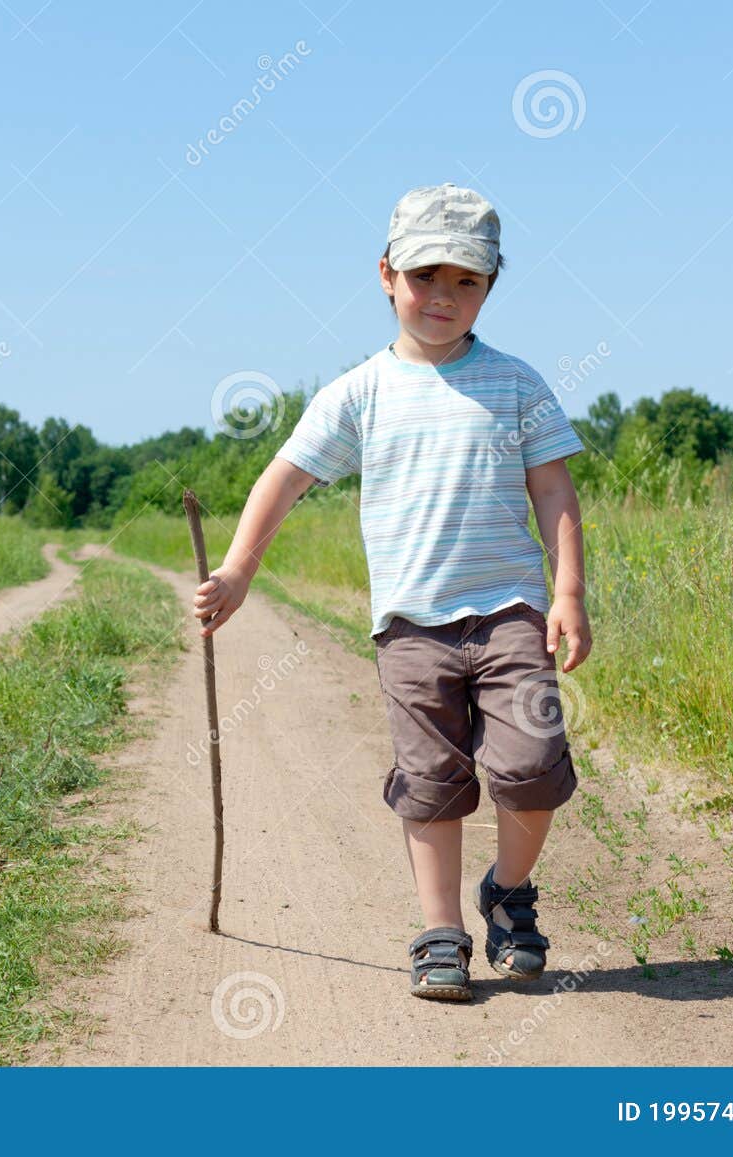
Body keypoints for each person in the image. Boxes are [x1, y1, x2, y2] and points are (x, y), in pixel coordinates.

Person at [190, 182, 592, 1001]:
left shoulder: (516, 385)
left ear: (490, 286)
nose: (443, 297)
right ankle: (441, 930)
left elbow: (554, 492)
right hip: (410, 628)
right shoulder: (358, 393)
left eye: (466, 281)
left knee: (531, 764)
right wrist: (237, 569)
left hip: (512, 610)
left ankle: (508, 891)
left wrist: (569, 592)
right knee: (432, 779)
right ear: (385, 275)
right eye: (423, 277)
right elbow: (285, 478)